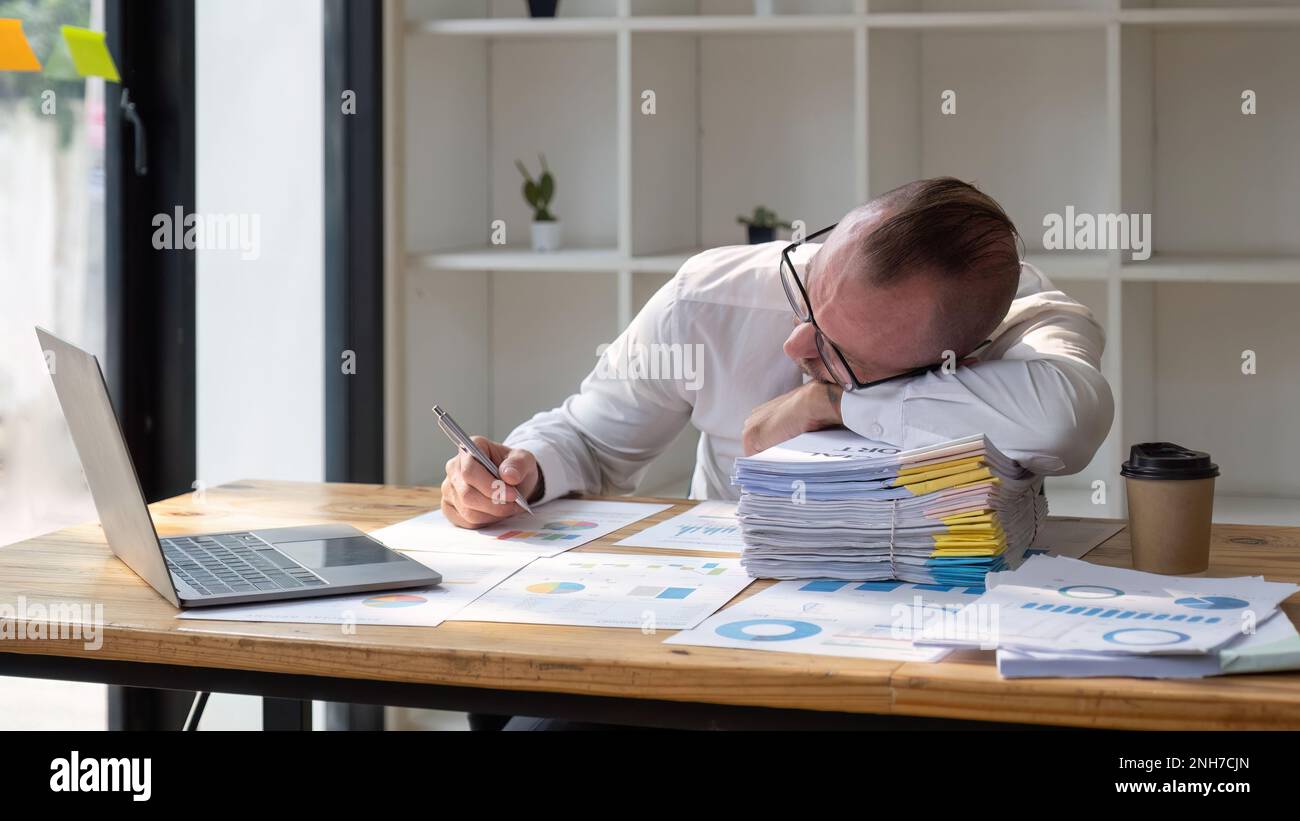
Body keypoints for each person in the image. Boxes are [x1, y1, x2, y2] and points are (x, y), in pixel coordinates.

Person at [441, 177, 1113, 530]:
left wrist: (835, 404)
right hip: (717, 635)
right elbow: (588, 439)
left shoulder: (1025, 319)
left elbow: (1062, 423)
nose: (796, 343)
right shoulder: (714, 298)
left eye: (839, 350)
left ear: (956, 358)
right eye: (807, 296)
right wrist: (522, 471)